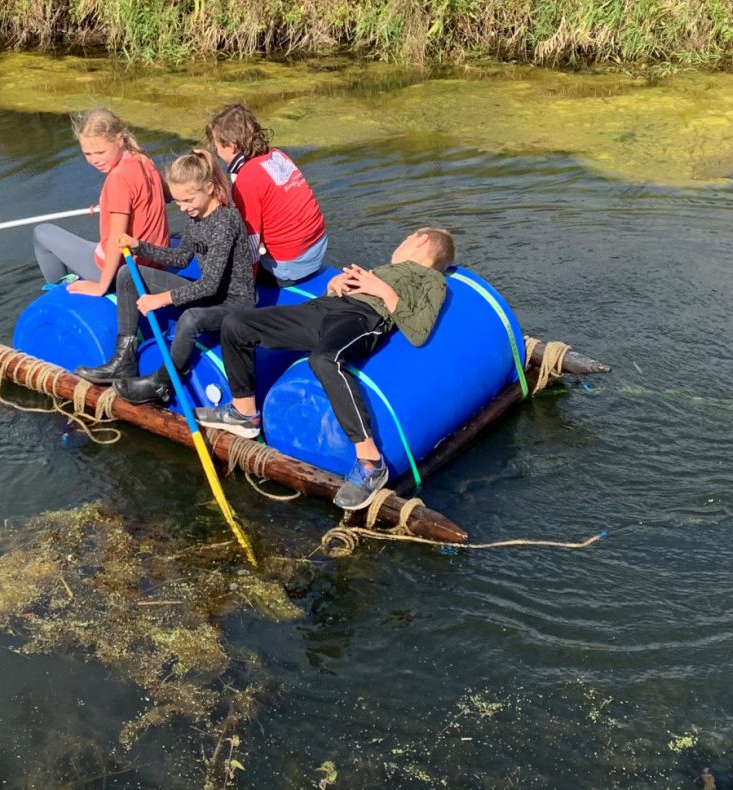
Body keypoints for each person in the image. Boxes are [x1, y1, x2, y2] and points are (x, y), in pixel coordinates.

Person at [197, 227, 455, 510]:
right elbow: (335, 297)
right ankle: (244, 413)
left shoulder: (432, 279)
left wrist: (383, 291)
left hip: (361, 319)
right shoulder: (386, 268)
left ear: (422, 239)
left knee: (324, 359)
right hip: (323, 310)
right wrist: (334, 287)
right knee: (237, 324)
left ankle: (370, 463)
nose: (401, 241)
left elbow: (420, 332)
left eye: (407, 237)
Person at [74, 151, 258, 401]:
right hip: (210, 295)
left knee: (191, 318)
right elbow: (180, 258)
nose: (183, 208)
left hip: (235, 304)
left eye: (188, 200)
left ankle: (163, 382)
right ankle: (124, 359)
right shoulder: (197, 217)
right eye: (178, 201)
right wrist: (139, 245)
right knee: (128, 273)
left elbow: (210, 285)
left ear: (210, 188)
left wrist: (161, 299)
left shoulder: (225, 222)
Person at [32, 108, 168, 297]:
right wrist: (110, 206)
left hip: (126, 270)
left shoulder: (118, 179)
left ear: (120, 139)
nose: (95, 160)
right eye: (87, 154)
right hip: (156, 261)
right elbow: (164, 196)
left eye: (100, 152)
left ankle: (59, 294)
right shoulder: (142, 159)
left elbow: (116, 239)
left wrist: (101, 286)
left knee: (42, 233)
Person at [204, 104, 327, 285]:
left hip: (290, 263)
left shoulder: (246, 179)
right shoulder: (277, 155)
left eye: (218, 148)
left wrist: (247, 280)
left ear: (231, 146)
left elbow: (252, 238)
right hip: (318, 245)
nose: (218, 153)